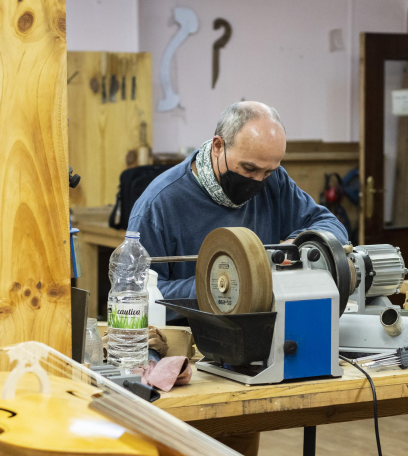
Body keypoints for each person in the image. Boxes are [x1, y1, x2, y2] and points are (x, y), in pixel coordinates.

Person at [129, 101, 348, 307]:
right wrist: (221, 286)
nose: (258, 181)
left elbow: (331, 225)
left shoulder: (275, 181)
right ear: (218, 146)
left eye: (268, 172)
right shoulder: (158, 206)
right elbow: (135, 295)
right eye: (249, 168)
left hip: (263, 320)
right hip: (189, 329)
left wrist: (297, 245)